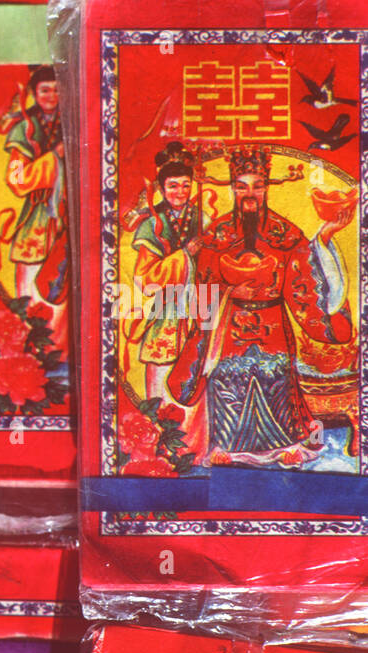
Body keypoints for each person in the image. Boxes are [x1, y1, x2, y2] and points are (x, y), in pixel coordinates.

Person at [169, 144, 354, 467]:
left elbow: (303, 288)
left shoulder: (287, 235)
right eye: (241, 186)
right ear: (232, 190)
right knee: (230, 382)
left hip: (273, 327)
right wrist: (229, 291)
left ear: (267, 188)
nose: (249, 194)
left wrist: (324, 237)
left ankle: (285, 445)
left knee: (275, 381)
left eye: (257, 185)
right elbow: (202, 290)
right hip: (228, 329)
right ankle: (228, 446)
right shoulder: (216, 234)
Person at [129, 142, 207, 402]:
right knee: (161, 374)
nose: (180, 192)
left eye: (186, 185)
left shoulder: (202, 218)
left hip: (202, 305)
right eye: (173, 186)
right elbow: (145, 278)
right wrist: (185, 256)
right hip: (167, 307)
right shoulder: (153, 224)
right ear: (162, 189)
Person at [2, 66, 67, 323]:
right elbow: (17, 180)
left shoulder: (73, 121)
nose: (51, 95)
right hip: (38, 214)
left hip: (68, 213)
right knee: (29, 287)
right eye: (44, 90)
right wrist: (54, 158)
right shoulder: (24, 128)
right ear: (34, 93)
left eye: (56, 89)